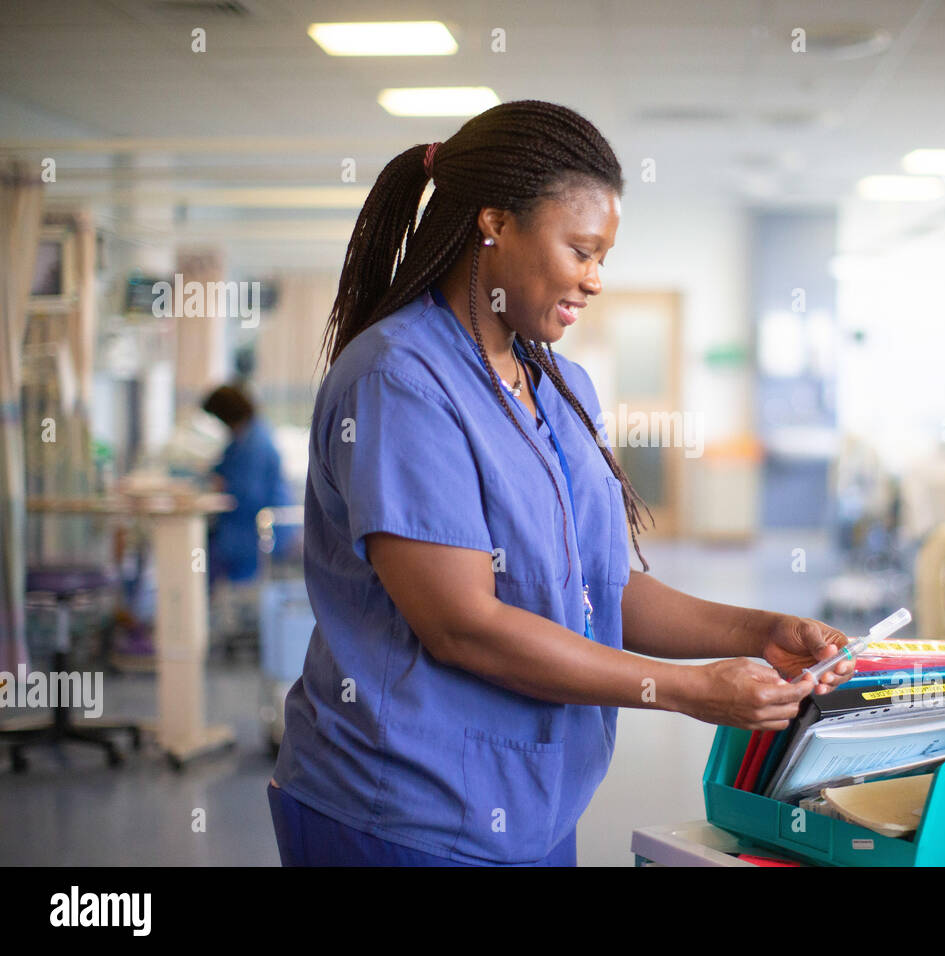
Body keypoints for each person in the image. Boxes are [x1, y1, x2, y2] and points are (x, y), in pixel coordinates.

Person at [267, 100, 855, 867]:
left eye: (603, 256)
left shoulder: (557, 381)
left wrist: (757, 632)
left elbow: (596, 586)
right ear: (495, 224)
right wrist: (684, 690)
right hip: (402, 811)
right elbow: (463, 624)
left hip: (533, 803)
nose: (596, 279)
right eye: (581, 250)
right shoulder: (400, 380)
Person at [201, 384, 290, 583]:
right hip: (244, 521)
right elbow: (220, 469)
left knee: (200, 550)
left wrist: (223, 487)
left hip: (255, 529)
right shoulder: (245, 436)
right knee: (201, 541)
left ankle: (202, 605)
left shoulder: (255, 443)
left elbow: (249, 494)